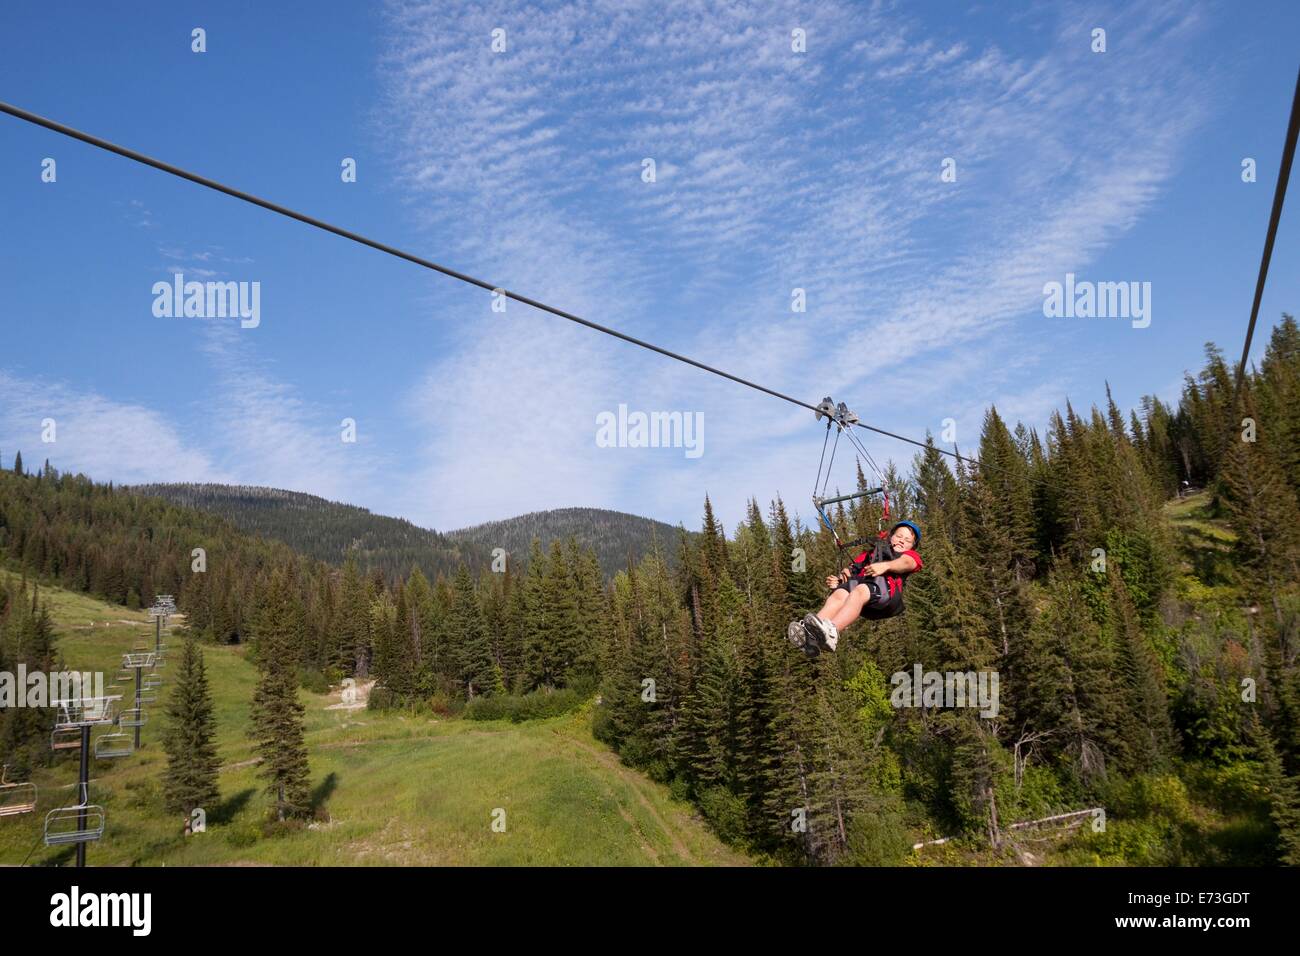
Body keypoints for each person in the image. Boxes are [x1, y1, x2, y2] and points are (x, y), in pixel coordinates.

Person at [787, 521, 922, 657]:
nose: (901, 541)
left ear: (912, 546)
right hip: (863, 598)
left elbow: (908, 563)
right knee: (840, 593)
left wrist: (885, 566)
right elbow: (852, 569)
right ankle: (812, 634)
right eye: (899, 536)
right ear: (891, 537)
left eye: (907, 540)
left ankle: (832, 632)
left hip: (886, 595)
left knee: (860, 590)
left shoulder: (909, 556)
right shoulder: (871, 554)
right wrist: (839, 580)